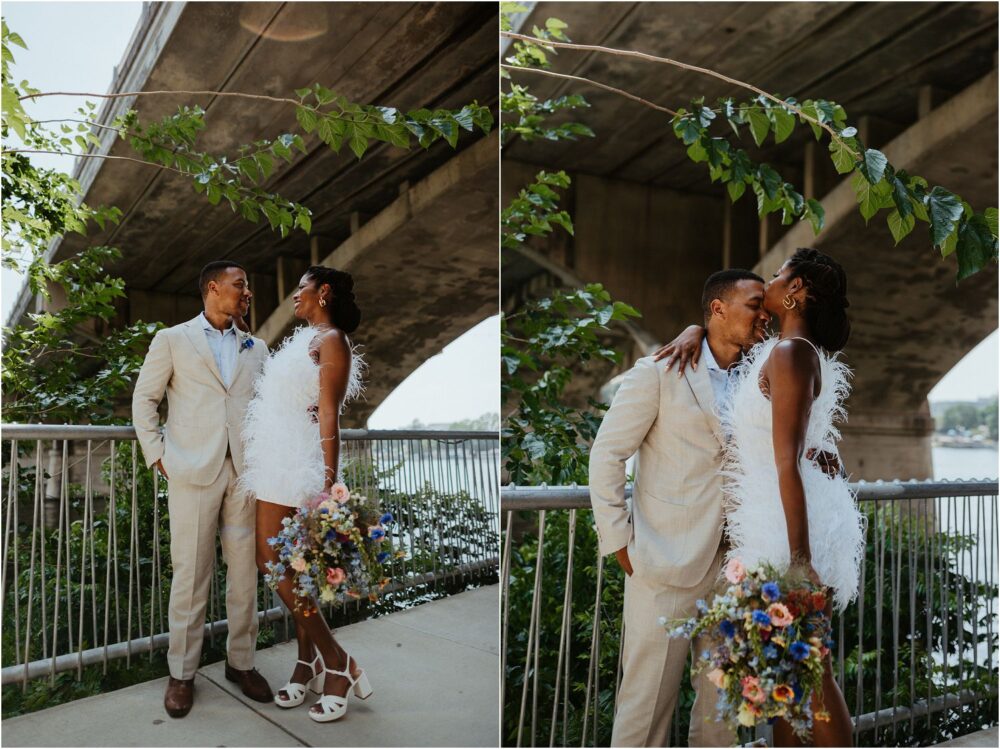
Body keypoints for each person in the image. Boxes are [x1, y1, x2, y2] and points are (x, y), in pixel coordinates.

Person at [661, 248, 862, 746]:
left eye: (776, 275)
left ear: (796, 291)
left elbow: (786, 461)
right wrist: (694, 330)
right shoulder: (788, 350)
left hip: (789, 534)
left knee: (812, 674)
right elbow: (797, 444)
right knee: (787, 680)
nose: (767, 281)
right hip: (776, 522)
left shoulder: (792, 353)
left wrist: (799, 559)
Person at [589, 269, 769, 747]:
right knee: (645, 709)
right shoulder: (658, 372)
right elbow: (607, 454)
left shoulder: (762, 376)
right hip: (663, 563)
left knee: (722, 712)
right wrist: (620, 543)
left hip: (734, 568)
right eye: (754, 306)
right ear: (718, 309)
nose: (764, 316)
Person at [132, 260, 273, 718]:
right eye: (240, 285)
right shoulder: (173, 339)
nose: (247, 292)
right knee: (191, 574)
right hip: (191, 471)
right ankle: (182, 673)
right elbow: (145, 399)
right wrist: (157, 455)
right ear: (213, 288)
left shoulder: (257, 347)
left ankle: (241, 662)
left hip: (244, 474)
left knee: (244, 574)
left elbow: (266, 406)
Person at [241, 265, 370, 723]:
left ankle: (337, 663)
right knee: (295, 569)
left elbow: (330, 413)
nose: (295, 295)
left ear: (324, 292)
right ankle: (307, 663)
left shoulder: (332, 340)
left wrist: (329, 483)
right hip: (273, 459)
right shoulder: (303, 340)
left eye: (302, 289)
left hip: (299, 463)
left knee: (272, 561)